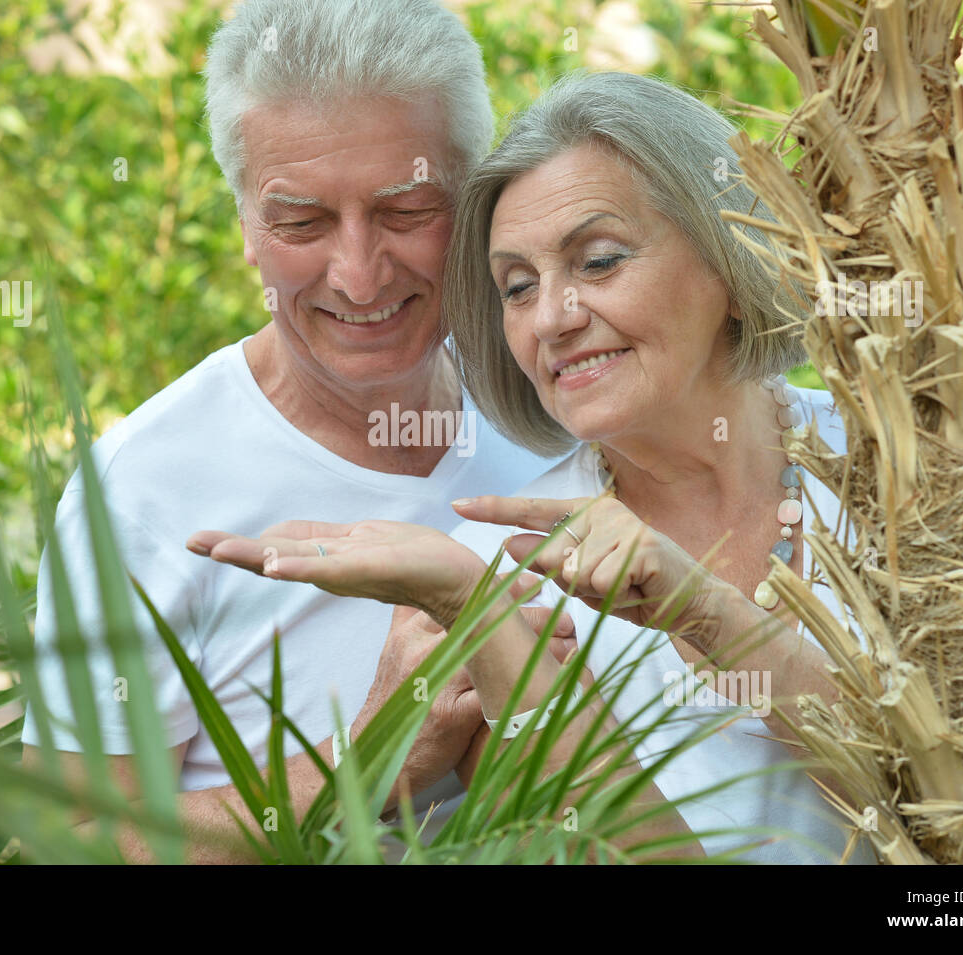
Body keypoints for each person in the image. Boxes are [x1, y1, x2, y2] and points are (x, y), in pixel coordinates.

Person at [190, 71, 873, 863]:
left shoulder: (903, 468)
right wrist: (468, 605)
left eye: (600, 261)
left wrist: (711, 612)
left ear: (728, 252)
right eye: (517, 286)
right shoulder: (508, 583)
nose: (552, 318)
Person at [20, 0, 564, 864]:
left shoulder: (563, 393)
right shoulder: (144, 486)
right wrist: (364, 764)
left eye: (405, 210)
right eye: (301, 223)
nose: (358, 273)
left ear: (478, 200)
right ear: (244, 225)